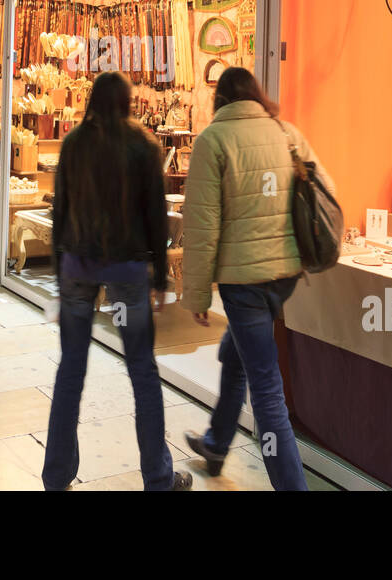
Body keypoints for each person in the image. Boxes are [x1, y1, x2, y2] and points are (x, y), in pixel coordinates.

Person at [180, 66, 331, 491]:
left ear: (220, 101)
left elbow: (203, 223)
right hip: (284, 274)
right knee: (237, 354)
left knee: (267, 395)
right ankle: (215, 444)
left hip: (243, 282)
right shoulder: (287, 133)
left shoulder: (213, 140)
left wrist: (195, 295)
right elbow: (324, 190)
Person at [42, 71, 192, 492]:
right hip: (127, 269)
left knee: (70, 369)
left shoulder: (74, 143)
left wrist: (59, 269)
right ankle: (158, 477)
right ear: (127, 102)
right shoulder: (142, 144)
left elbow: (61, 211)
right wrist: (160, 274)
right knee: (142, 371)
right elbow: (155, 213)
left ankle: (56, 475)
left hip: (77, 264)